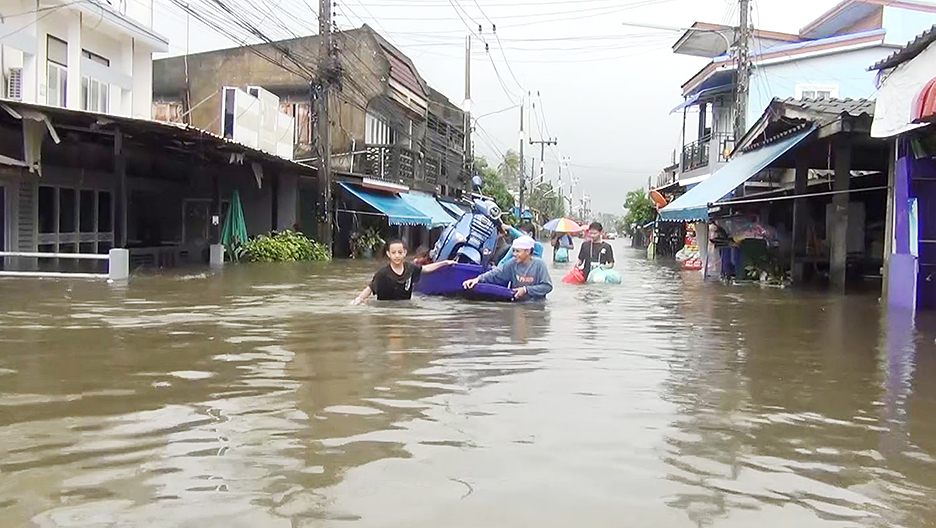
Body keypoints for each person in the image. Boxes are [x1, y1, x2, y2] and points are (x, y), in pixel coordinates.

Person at [352, 240, 454, 304]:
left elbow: (425, 269)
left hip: (405, 305)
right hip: (386, 309)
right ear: (388, 254)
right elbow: (370, 288)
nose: (397, 255)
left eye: (400, 252)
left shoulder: (410, 268)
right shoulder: (382, 274)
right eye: (393, 253)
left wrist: (444, 263)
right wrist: (358, 300)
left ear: (404, 253)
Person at [463, 235, 553, 300]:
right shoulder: (512, 264)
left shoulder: (539, 265)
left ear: (527, 251)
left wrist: (526, 290)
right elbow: (496, 274)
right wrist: (477, 279)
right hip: (518, 304)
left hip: (536, 306)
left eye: (518, 251)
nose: (514, 254)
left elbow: (547, 286)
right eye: (513, 251)